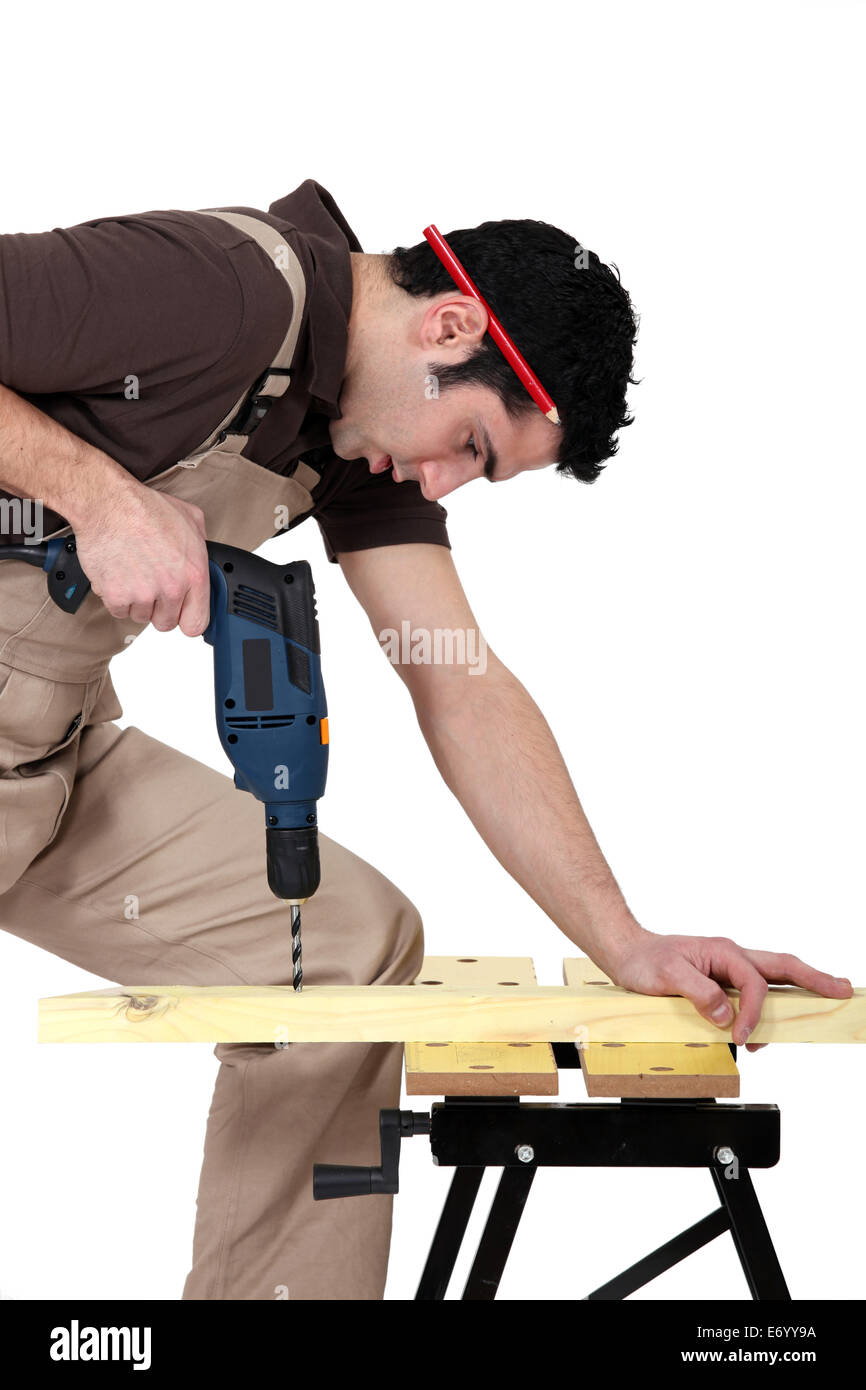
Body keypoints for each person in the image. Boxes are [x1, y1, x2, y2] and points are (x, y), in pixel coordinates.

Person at [0, 179, 851, 1300]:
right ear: (448, 327)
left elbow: (460, 679)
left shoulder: (342, 428)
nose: (441, 482)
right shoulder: (213, 290)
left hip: (44, 764)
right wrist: (98, 499)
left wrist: (623, 939)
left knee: (344, 948)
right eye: (469, 446)